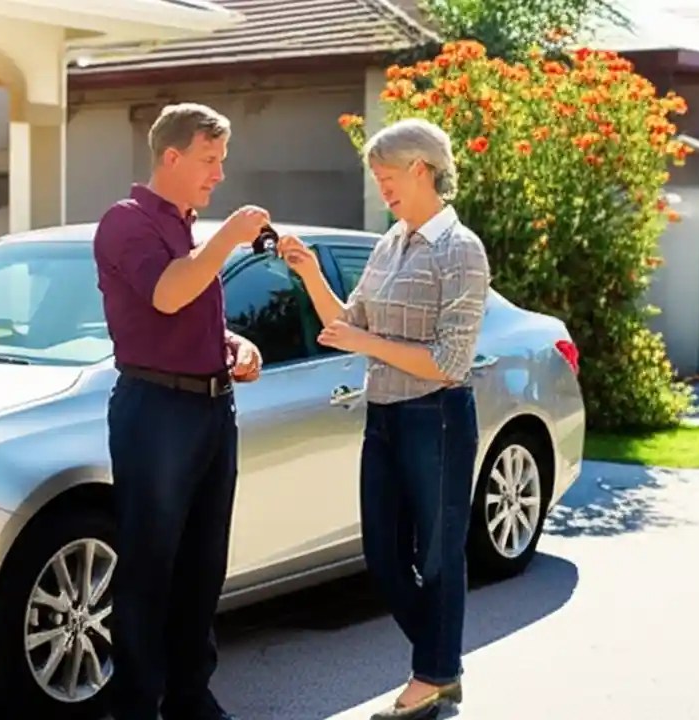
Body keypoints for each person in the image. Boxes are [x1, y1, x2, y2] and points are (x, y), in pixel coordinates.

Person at [278, 118, 490, 720]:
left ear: (421, 169)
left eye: (387, 177)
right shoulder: (390, 243)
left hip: (437, 416)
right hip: (385, 415)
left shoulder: (461, 250)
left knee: (439, 555)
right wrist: (309, 271)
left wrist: (366, 343)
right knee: (384, 555)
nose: (382, 189)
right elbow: (348, 324)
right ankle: (442, 660)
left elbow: (450, 362)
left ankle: (433, 674)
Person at [93, 102, 267, 720]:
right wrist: (228, 237)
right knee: (150, 565)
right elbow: (167, 294)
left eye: (222, 160)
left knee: (202, 565)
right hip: (157, 411)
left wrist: (233, 344)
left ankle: (191, 697)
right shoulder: (126, 220)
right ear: (171, 157)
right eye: (209, 159)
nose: (219, 172)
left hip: (211, 409)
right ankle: (137, 705)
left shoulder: (186, 227)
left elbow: (184, 313)